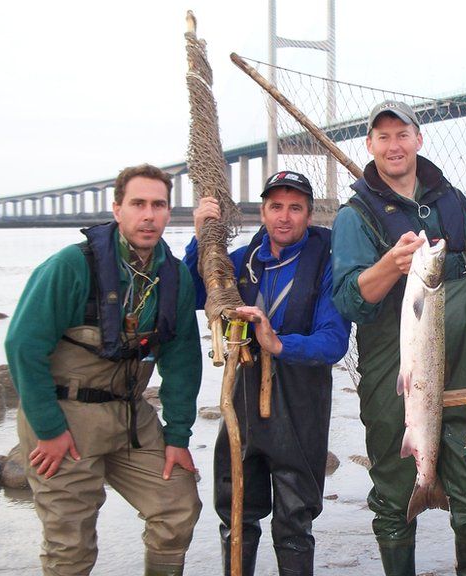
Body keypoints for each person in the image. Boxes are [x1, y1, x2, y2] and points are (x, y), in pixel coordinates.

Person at [6, 164, 203, 576]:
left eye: (159, 205)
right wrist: (48, 429)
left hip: (130, 416)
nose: (148, 215)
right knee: (71, 545)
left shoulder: (175, 278)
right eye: (138, 204)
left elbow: (183, 361)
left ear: (169, 212)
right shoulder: (71, 266)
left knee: (178, 505)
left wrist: (178, 435)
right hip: (65, 418)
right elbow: (22, 346)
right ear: (117, 210)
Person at [331, 100, 466, 575]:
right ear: (369, 145)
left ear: (418, 140)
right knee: (394, 485)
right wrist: (390, 266)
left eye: (402, 134)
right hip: (395, 370)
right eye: (382, 136)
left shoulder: (453, 199)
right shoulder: (354, 215)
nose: (394, 145)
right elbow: (347, 301)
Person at [183, 170, 350, 576]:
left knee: (294, 519)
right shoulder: (242, 260)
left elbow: (334, 341)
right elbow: (189, 292)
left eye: (296, 208)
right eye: (276, 207)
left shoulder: (328, 266)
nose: (285, 217)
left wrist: (278, 344)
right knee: (236, 510)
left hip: (300, 401)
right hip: (241, 396)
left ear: (310, 215)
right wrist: (200, 236)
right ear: (263, 211)